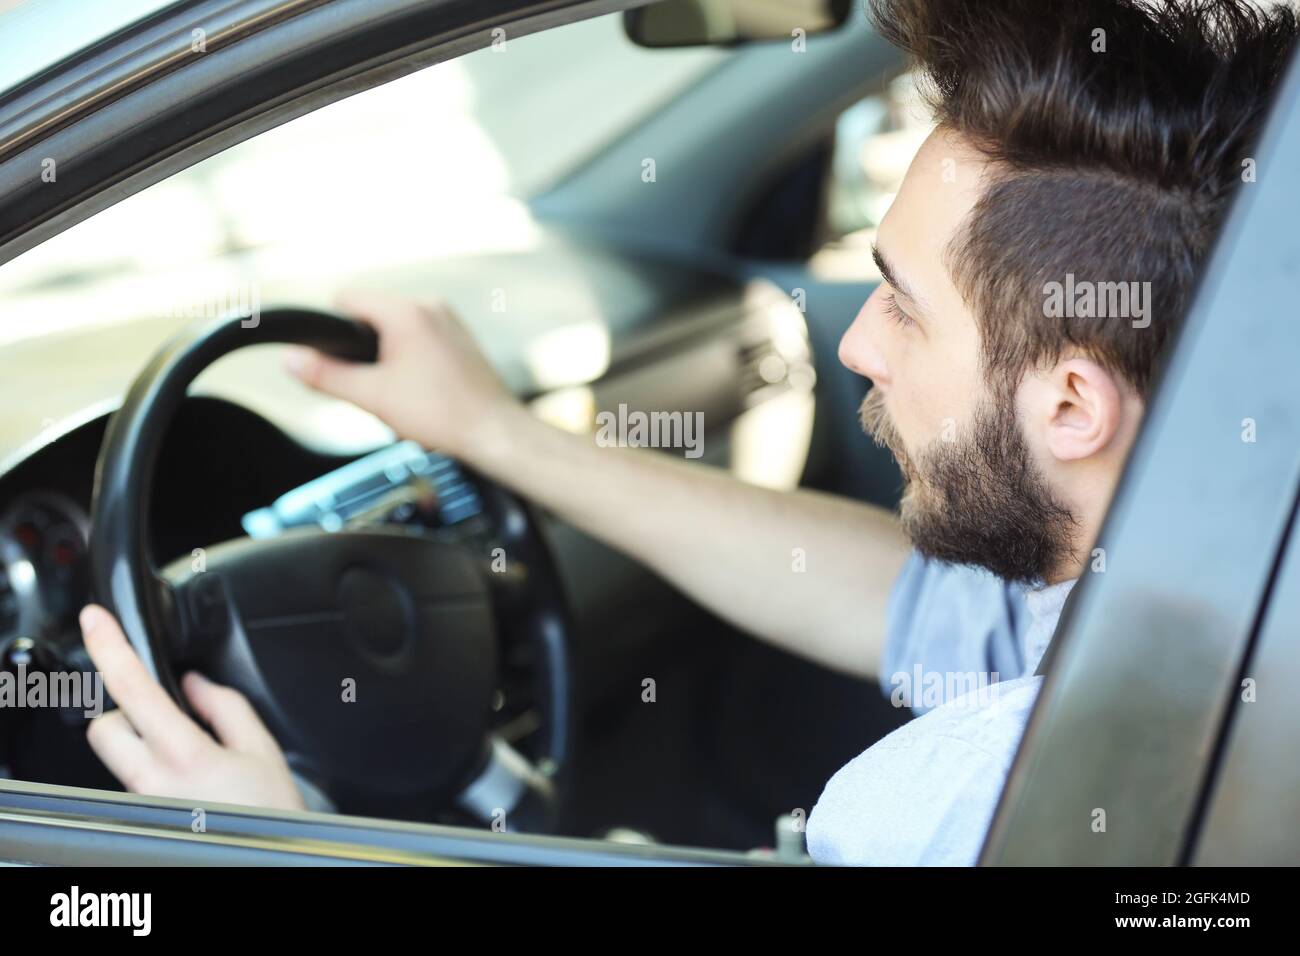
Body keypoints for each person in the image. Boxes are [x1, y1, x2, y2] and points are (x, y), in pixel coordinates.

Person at [75, 0, 1298, 864]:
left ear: (1072, 405)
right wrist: (497, 433)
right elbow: (909, 606)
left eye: (903, 306)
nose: (860, 341)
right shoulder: (1176, 584)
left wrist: (283, 846)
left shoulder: (955, 807)